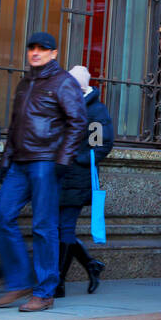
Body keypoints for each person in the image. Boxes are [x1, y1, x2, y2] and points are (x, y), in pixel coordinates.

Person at [0, 32, 87, 311]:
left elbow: (78, 122)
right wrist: (5, 160)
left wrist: (62, 159)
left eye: (43, 49)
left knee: (44, 226)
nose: (36, 52)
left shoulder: (63, 82)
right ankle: (20, 280)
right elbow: (15, 126)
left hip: (46, 162)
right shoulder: (24, 83)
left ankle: (45, 291)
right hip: (20, 162)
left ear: (54, 53)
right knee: (1, 216)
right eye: (32, 48)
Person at [55, 65, 113, 296]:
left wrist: (74, 159)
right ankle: (91, 265)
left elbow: (101, 145)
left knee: (65, 227)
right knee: (58, 227)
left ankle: (58, 283)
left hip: (77, 176)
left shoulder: (96, 111)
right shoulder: (62, 105)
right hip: (57, 174)